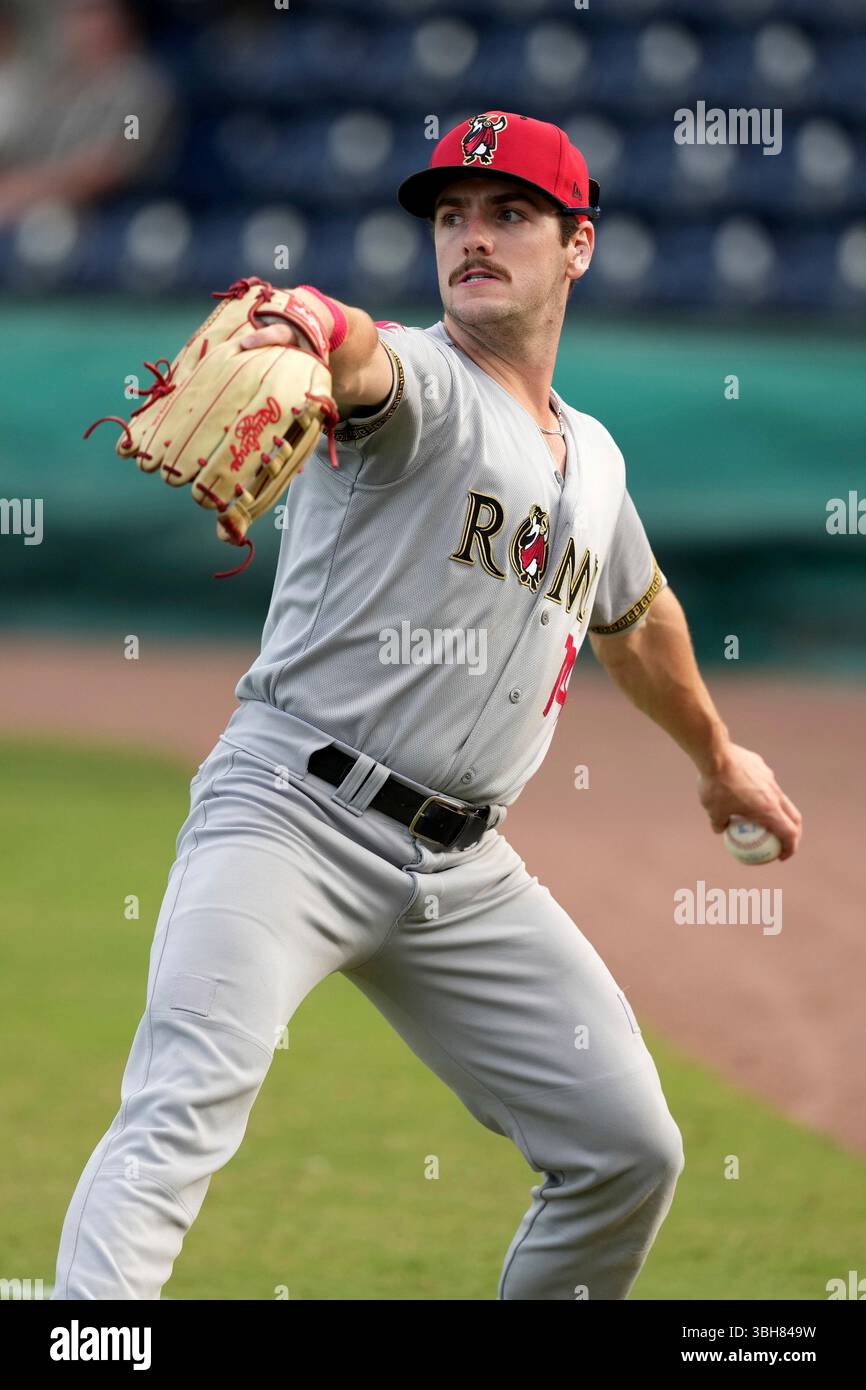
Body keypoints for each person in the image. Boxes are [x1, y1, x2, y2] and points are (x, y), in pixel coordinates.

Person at [52, 111, 802, 1301]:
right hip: (288, 815)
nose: (471, 236)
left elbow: (638, 613)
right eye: (451, 215)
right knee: (179, 1110)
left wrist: (717, 755)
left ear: (578, 246)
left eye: (509, 213)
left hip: (463, 873)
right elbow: (354, 352)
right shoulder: (423, 387)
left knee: (627, 1148)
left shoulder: (595, 461)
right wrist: (301, 317)